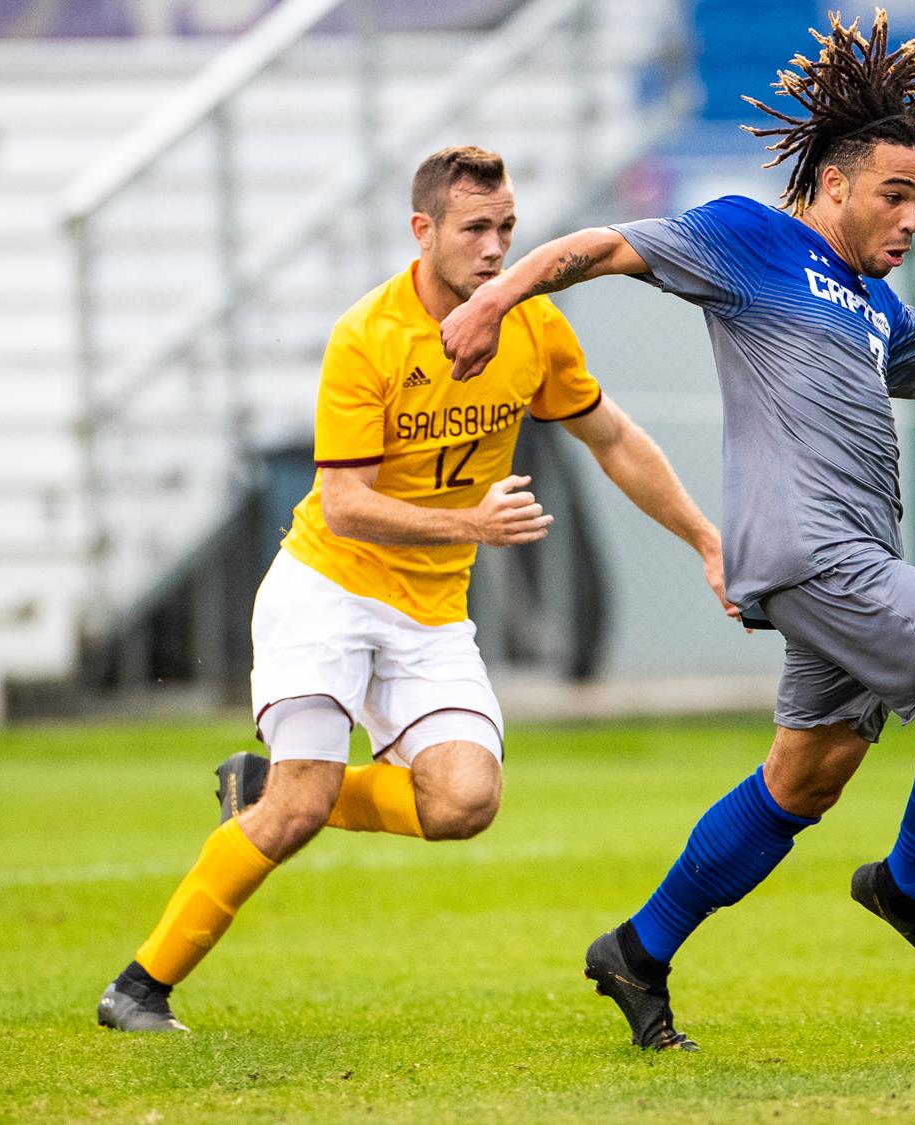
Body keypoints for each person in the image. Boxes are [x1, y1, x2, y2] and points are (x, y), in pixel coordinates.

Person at [440, 11, 915, 1051]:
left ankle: (637, 950)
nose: (910, 219)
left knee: (803, 780)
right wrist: (496, 298)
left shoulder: (870, 306)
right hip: (817, 556)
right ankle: (907, 886)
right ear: (830, 184)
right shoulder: (749, 238)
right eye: (893, 195)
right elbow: (604, 246)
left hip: (849, 560)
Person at [96, 145, 732, 1032]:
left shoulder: (533, 327)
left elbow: (613, 437)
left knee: (466, 801)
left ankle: (266, 783)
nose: (495, 248)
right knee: (299, 807)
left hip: (429, 611)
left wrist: (705, 538)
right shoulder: (369, 335)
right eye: (475, 229)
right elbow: (346, 505)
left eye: (506, 227)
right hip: (327, 587)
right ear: (422, 230)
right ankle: (139, 987)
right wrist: (475, 524)